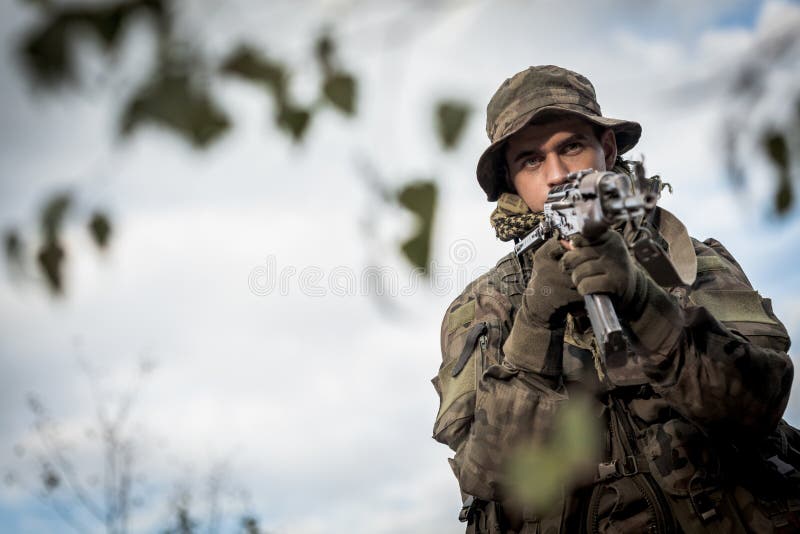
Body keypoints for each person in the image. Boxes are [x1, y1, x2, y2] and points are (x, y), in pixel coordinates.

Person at [431, 65, 799, 533]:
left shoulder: (682, 256)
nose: (558, 174)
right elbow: (485, 474)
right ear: (511, 180)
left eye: (571, 147)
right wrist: (536, 319)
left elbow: (758, 403)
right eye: (530, 160)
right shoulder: (483, 305)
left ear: (606, 150)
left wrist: (642, 299)